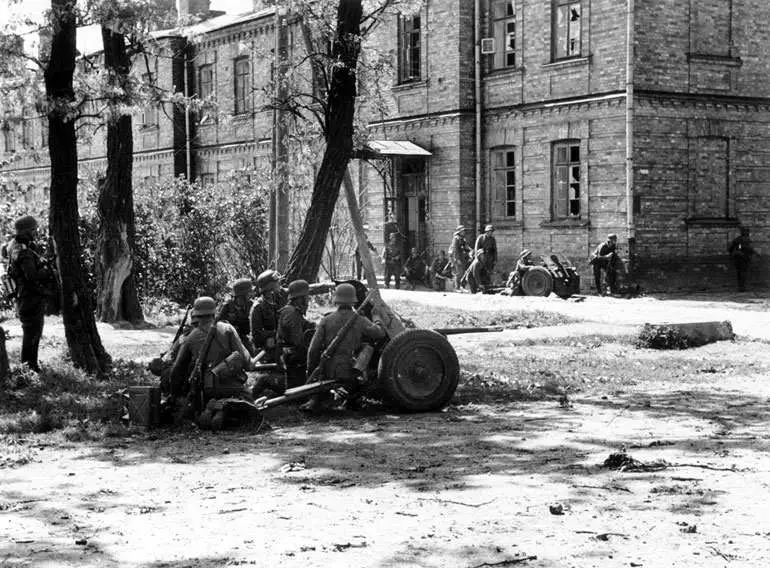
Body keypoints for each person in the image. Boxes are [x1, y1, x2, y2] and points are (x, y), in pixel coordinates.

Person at [302, 283, 386, 412]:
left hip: (328, 370)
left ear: (336, 300)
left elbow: (313, 349)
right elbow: (379, 334)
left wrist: (312, 371)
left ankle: (320, 399)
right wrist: (376, 318)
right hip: (350, 372)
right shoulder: (360, 320)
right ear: (353, 302)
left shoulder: (326, 320)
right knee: (368, 348)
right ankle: (352, 397)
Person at [168, 296, 256, 405]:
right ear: (214, 313)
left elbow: (177, 369)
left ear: (196, 315)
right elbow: (244, 359)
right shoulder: (227, 328)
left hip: (207, 390)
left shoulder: (191, 337)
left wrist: (175, 395)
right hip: (233, 386)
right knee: (250, 402)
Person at [6, 216, 56, 372]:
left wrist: (42, 263)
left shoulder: (14, 246)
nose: (36, 232)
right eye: (34, 229)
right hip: (30, 296)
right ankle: (29, 367)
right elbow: (31, 276)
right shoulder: (23, 249)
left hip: (24, 296)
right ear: (26, 231)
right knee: (33, 332)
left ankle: (29, 366)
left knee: (31, 331)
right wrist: (47, 271)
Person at [277, 279, 316, 389]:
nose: (308, 300)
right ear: (300, 298)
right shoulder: (292, 314)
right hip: (293, 357)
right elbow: (297, 341)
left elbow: (304, 324)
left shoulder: (292, 311)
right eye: (307, 297)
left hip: (290, 354)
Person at [249, 269, 287, 362]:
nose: (279, 284)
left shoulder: (279, 300)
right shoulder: (258, 307)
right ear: (270, 287)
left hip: (281, 344)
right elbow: (256, 335)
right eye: (277, 283)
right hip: (266, 350)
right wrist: (277, 333)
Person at [216, 278, 254, 354]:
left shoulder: (251, 305)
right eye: (248, 293)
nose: (251, 294)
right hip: (230, 341)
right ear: (242, 295)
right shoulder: (227, 306)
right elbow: (217, 325)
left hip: (246, 338)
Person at [728, 227, 759, 292]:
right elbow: (746, 248)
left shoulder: (737, 239)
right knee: (743, 273)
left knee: (740, 273)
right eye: (747, 232)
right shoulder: (745, 240)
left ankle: (741, 287)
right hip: (743, 258)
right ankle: (742, 287)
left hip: (739, 258)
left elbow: (731, 249)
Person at [473, 224, 498, 292]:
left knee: (488, 271)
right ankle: (479, 285)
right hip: (481, 257)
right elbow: (477, 248)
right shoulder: (481, 238)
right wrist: (477, 257)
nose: (490, 233)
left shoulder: (492, 239)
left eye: (491, 231)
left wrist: (495, 259)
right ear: (486, 231)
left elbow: (495, 249)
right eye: (489, 231)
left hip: (489, 258)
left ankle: (487, 285)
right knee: (479, 270)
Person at [449, 225, 471, 291]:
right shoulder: (456, 238)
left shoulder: (463, 239)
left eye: (464, 231)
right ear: (459, 232)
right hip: (457, 258)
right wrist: (457, 259)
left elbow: (466, 248)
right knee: (459, 273)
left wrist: (470, 252)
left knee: (464, 273)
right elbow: (455, 250)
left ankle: (462, 287)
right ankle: (457, 287)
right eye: (462, 231)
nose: (463, 232)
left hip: (463, 258)